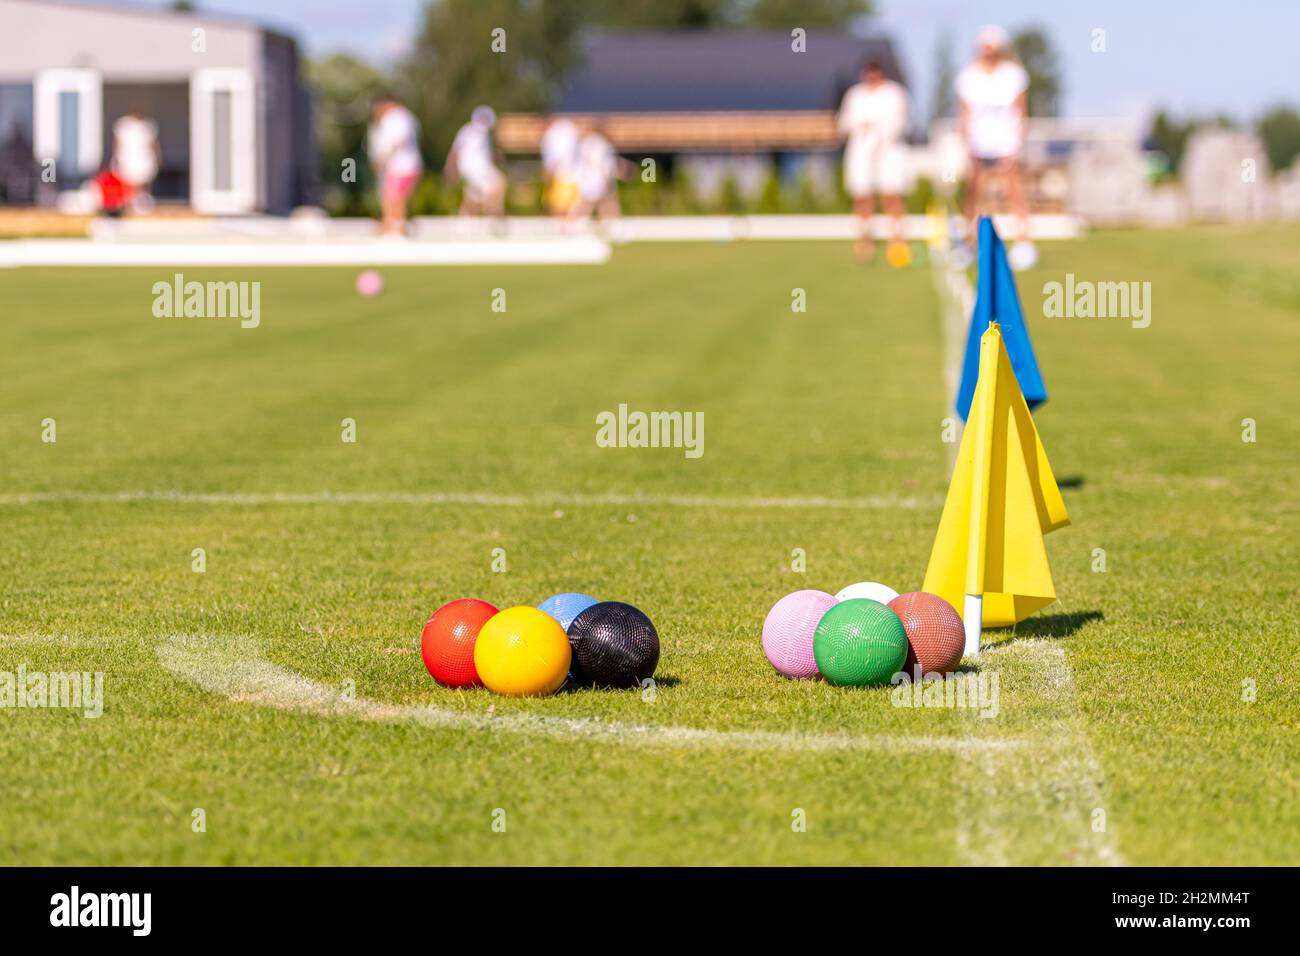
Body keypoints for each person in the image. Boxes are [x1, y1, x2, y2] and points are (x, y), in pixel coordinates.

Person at [956, 26, 1036, 268]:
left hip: (1006, 142)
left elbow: (1021, 111)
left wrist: (1017, 143)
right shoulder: (968, 76)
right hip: (978, 142)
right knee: (974, 191)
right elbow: (964, 113)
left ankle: (1024, 244)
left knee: (1014, 189)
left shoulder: (1013, 75)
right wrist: (966, 143)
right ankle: (968, 243)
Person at [837, 59, 910, 265]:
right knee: (862, 196)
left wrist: (882, 135)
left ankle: (897, 239)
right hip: (860, 152)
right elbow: (844, 124)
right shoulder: (854, 95)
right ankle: (864, 240)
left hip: (889, 151)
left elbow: (900, 122)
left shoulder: (895, 93)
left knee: (892, 195)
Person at [367, 96, 424, 236]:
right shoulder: (407, 117)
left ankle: (395, 229)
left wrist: (381, 159)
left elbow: (396, 141)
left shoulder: (396, 117)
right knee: (395, 199)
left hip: (400, 166)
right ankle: (393, 227)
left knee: (393, 199)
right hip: (405, 165)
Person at [446, 106, 506, 217]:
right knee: (498, 184)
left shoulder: (473, 131)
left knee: (474, 197)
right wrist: (451, 169)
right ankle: (493, 214)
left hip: (473, 170)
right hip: (477, 170)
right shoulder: (473, 131)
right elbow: (456, 151)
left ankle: (465, 219)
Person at [569, 124, 630, 224]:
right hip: (598, 181)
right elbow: (605, 165)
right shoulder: (602, 145)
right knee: (604, 203)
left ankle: (571, 223)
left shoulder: (586, 143)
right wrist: (611, 179)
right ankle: (613, 225)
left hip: (587, 180)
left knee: (595, 204)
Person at [111, 111, 160, 211]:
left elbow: (154, 144)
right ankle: (129, 203)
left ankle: (143, 203)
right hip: (128, 157)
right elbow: (116, 143)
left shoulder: (147, 127)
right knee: (128, 180)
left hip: (143, 158)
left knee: (143, 179)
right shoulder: (123, 126)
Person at [540, 117, 580, 217]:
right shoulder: (564, 132)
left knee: (558, 206)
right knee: (566, 206)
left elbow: (555, 158)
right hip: (570, 175)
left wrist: (549, 174)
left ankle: (562, 229)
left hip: (561, 176)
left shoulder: (553, 136)